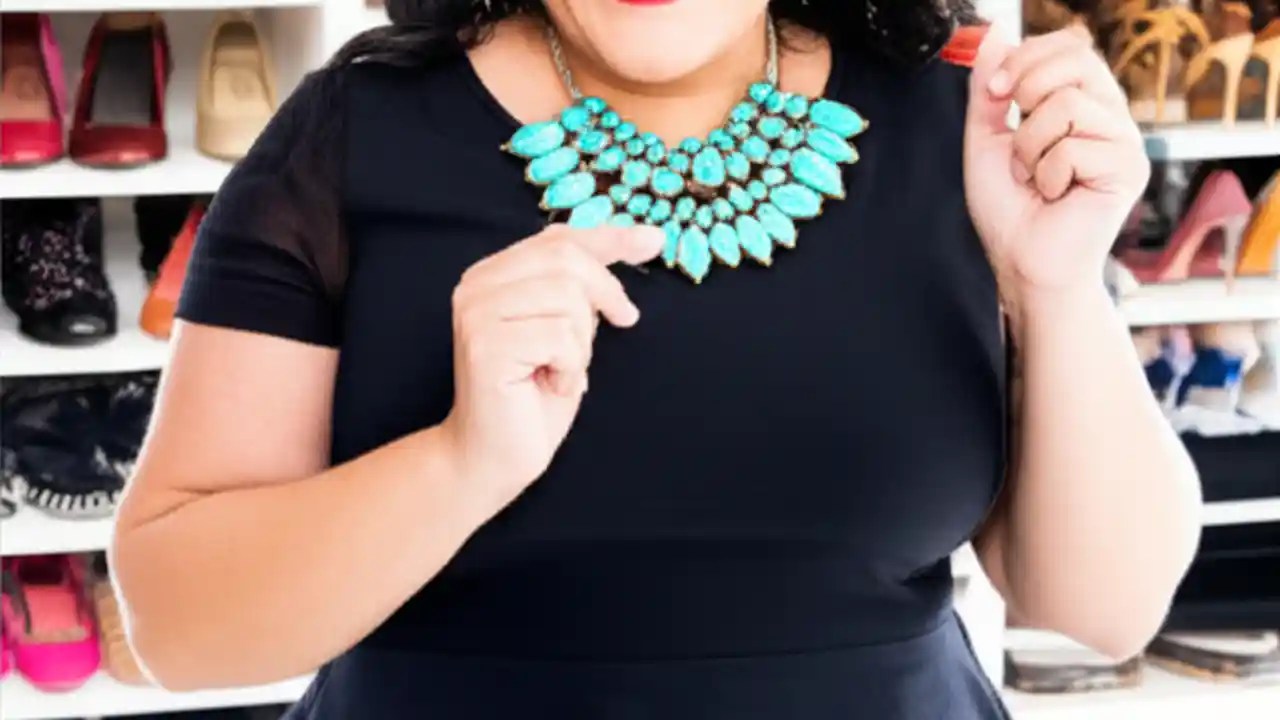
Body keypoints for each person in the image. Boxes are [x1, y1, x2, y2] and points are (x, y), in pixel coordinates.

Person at [110, 1, 1203, 717]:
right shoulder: (349, 134)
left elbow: (1103, 607)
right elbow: (178, 628)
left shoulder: (958, 116)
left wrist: (1051, 287)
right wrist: (456, 464)